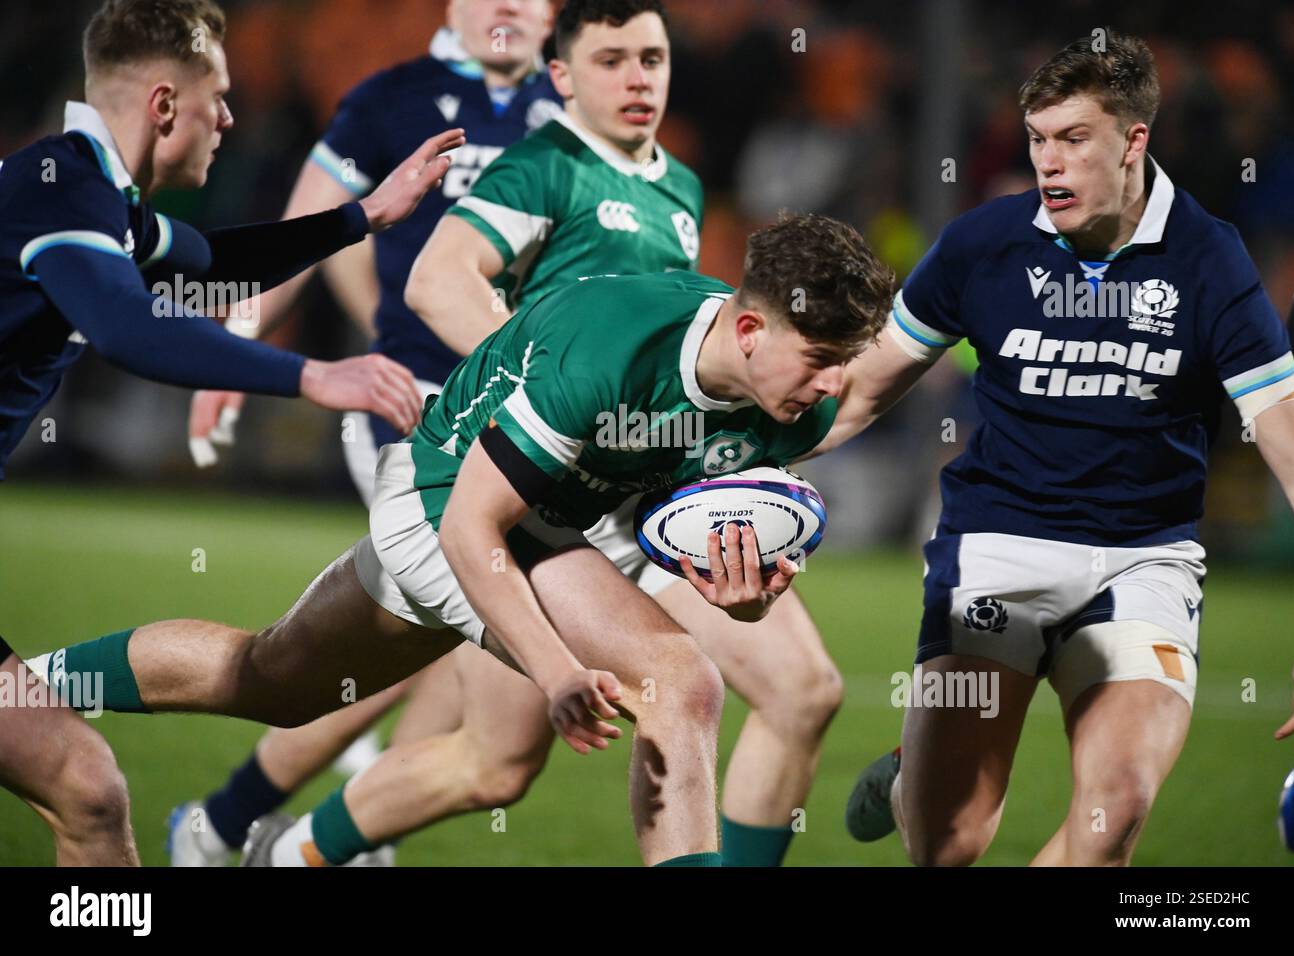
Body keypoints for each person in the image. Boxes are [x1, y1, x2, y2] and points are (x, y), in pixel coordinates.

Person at [29, 212, 897, 867]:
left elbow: (666, 516)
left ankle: (22, 688)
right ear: (748, 330)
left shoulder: (783, 402)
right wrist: (556, 671)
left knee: (271, 680)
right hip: (445, 499)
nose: (832, 387)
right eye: (820, 358)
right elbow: (471, 523)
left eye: (843, 363)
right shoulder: (608, 350)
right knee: (680, 680)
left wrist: (742, 602)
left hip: (546, 519)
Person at [0, 0, 459, 864]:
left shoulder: (95, 201)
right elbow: (129, 328)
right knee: (85, 786)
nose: (231, 119)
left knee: (85, 791)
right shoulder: (59, 190)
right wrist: (312, 375)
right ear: (165, 104)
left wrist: (363, 216)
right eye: (219, 98)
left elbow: (214, 262)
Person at [842, 31, 1294, 866]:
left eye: (1074, 138)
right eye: (1037, 139)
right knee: (948, 843)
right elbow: (862, 389)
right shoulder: (984, 243)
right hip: (997, 547)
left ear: (1133, 141)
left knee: (1112, 813)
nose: (1049, 164)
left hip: (1143, 560)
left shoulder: (1208, 257)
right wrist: (747, 465)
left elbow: (1288, 439)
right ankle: (914, 777)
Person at [169, 0, 560, 867]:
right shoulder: (392, 97)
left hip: (538, 420)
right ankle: (301, 837)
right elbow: (302, 234)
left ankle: (235, 826)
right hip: (414, 404)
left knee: (408, 643)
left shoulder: (577, 109)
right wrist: (232, 354)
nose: (509, 6)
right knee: (466, 633)